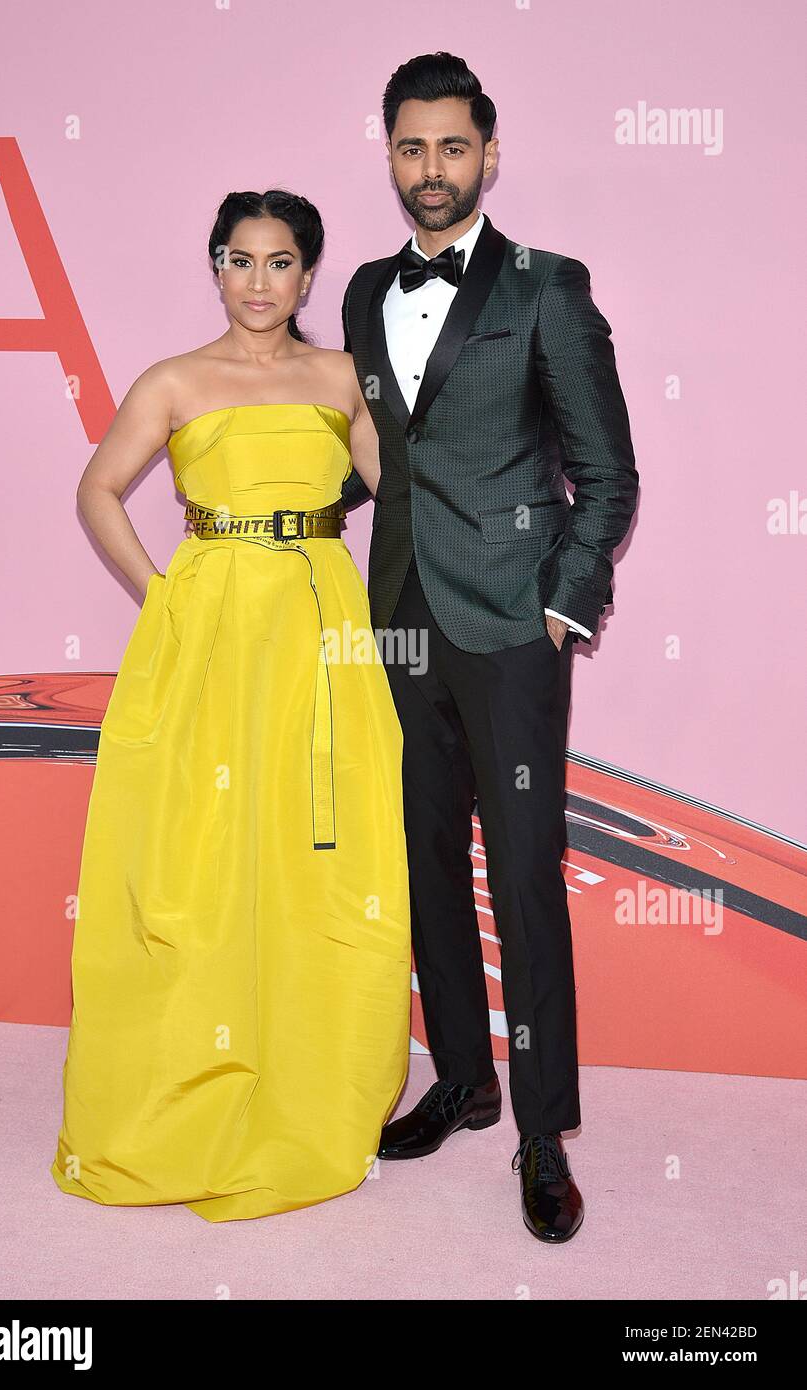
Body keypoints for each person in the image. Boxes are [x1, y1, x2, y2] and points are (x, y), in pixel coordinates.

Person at [50, 189, 411, 1221]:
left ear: (309, 275)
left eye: (281, 262)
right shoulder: (173, 379)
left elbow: (398, 492)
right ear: (215, 267)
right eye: (240, 260)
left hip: (319, 621)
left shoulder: (342, 376)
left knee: (315, 844)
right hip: (210, 625)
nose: (259, 281)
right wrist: (160, 593)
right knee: (203, 849)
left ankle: (307, 1083)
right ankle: (188, 1082)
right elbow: (97, 490)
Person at [339, 53, 639, 1242]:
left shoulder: (545, 287)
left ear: (489, 152)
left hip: (513, 626)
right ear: (389, 154)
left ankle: (538, 1129)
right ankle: (460, 1078)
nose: (429, 170)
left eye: (450, 148)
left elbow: (606, 473)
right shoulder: (363, 290)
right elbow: (379, 452)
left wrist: (562, 601)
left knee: (519, 877)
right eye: (409, 148)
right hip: (404, 616)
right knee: (423, 859)